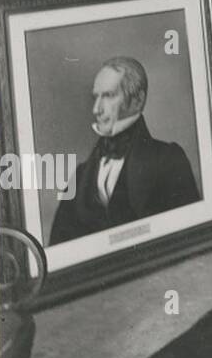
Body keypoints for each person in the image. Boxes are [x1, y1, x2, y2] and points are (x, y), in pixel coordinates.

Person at [50, 57, 201, 244]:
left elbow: (192, 235)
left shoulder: (168, 159)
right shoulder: (80, 175)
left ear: (137, 100)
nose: (96, 109)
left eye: (109, 96)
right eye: (95, 97)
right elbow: (59, 247)